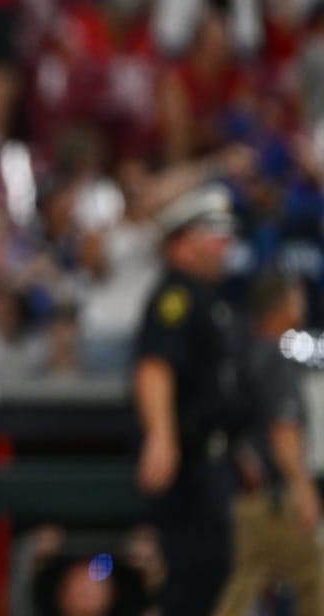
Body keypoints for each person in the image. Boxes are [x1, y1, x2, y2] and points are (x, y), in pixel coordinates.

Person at [133, 184, 248, 616]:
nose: (226, 245)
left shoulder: (211, 299)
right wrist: (161, 436)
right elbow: (155, 366)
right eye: (215, 234)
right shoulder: (175, 295)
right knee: (189, 578)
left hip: (211, 460)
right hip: (187, 466)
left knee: (213, 573)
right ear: (184, 244)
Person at [214, 271, 323, 616]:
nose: (302, 307)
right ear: (283, 305)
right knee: (315, 575)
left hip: (233, 492)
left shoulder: (238, 348)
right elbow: (283, 428)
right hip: (268, 498)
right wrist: (302, 486)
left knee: (243, 581)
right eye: (297, 298)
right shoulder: (274, 355)